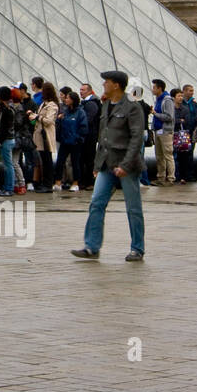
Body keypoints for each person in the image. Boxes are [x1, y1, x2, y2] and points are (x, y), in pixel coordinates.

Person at [72, 71, 145, 261]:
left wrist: (126, 165)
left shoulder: (132, 108)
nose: (103, 84)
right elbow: (102, 137)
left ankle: (137, 248)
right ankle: (91, 247)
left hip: (125, 165)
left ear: (116, 85)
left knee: (133, 207)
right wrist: (97, 164)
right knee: (96, 203)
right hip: (106, 164)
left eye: (107, 81)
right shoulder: (105, 105)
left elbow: (137, 139)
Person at [30, 82, 59, 191]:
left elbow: (48, 121)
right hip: (40, 136)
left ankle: (48, 184)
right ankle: (45, 183)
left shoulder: (52, 105)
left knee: (47, 160)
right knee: (44, 159)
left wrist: (37, 117)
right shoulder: (44, 104)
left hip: (45, 136)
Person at [150, 79, 175, 186]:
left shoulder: (167, 100)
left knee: (168, 155)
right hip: (158, 131)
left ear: (160, 88)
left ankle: (170, 178)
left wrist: (155, 114)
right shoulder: (158, 99)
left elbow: (169, 117)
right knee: (159, 156)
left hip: (165, 132)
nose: (152, 89)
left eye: (154, 87)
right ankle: (161, 177)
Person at [0, 86, 17, 196]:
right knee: (8, 164)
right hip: (10, 139)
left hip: (6, 140)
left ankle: (9, 188)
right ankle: (8, 187)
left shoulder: (5, 110)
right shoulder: (11, 108)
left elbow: (3, 128)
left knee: (8, 165)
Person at [78, 82, 101, 191]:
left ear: (89, 91)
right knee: (85, 158)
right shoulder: (86, 103)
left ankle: (89, 182)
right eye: (80, 90)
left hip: (89, 135)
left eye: (83, 90)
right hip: (87, 134)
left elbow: (88, 119)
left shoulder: (91, 104)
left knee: (89, 159)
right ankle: (86, 181)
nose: (80, 92)